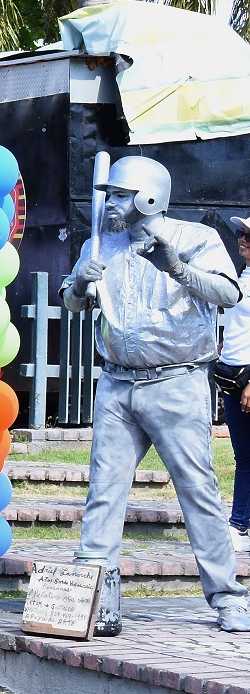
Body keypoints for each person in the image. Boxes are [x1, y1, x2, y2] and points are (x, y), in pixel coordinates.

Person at [63, 157, 249, 634]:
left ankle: (228, 597)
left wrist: (176, 266)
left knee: (198, 491)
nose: (111, 203)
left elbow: (228, 295)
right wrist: (80, 282)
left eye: (121, 194)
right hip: (117, 382)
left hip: (177, 382)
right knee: (104, 492)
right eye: (111, 194)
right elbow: (73, 299)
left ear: (149, 195)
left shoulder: (195, 239)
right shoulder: (99, 241)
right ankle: (91, 595)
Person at [221, 218, 250, 556]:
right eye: (241, 234)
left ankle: (238, 523)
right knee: (243, 454)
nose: (242, 238)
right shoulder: (240, 274)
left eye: (248, 235)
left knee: (246, 458)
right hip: (230, 372)